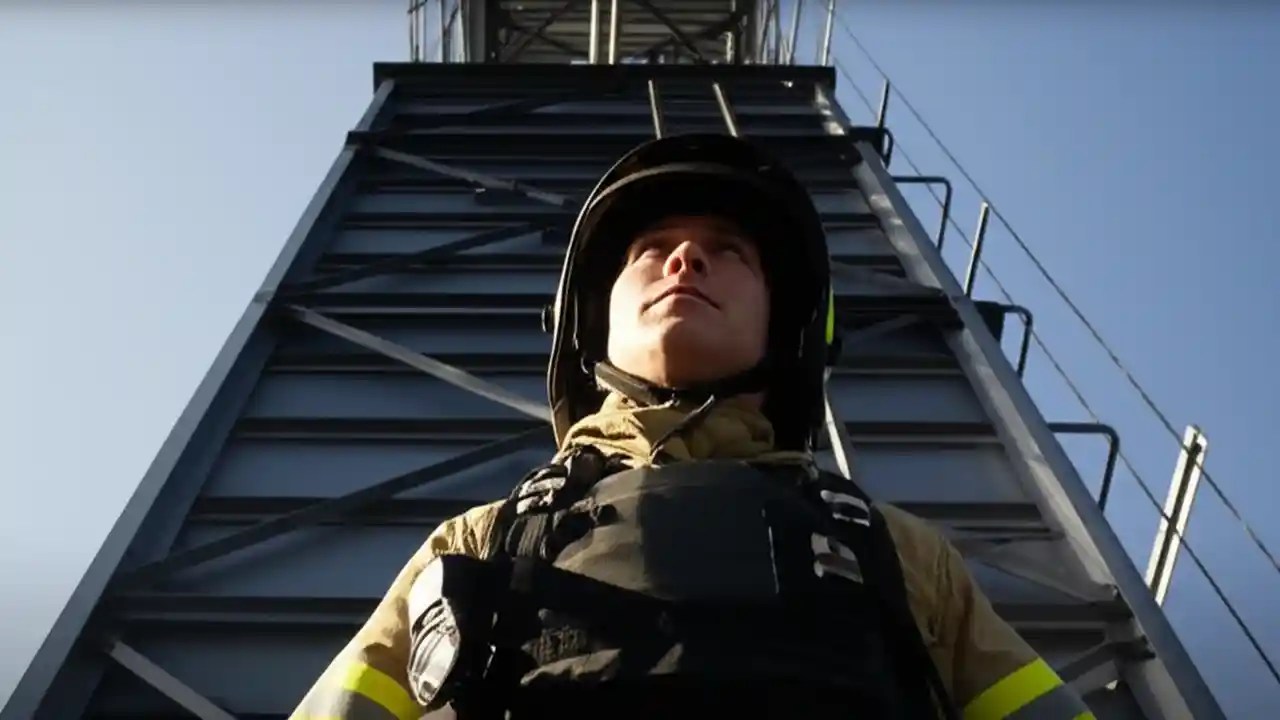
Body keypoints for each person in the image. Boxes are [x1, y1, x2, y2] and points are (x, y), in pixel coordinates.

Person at [289, 134, 1093, 720]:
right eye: (651, 249)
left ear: (789, 330)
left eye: (728, 251)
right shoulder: (478, 542)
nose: (684, 261)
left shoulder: (903, 557)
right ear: (591, 325)